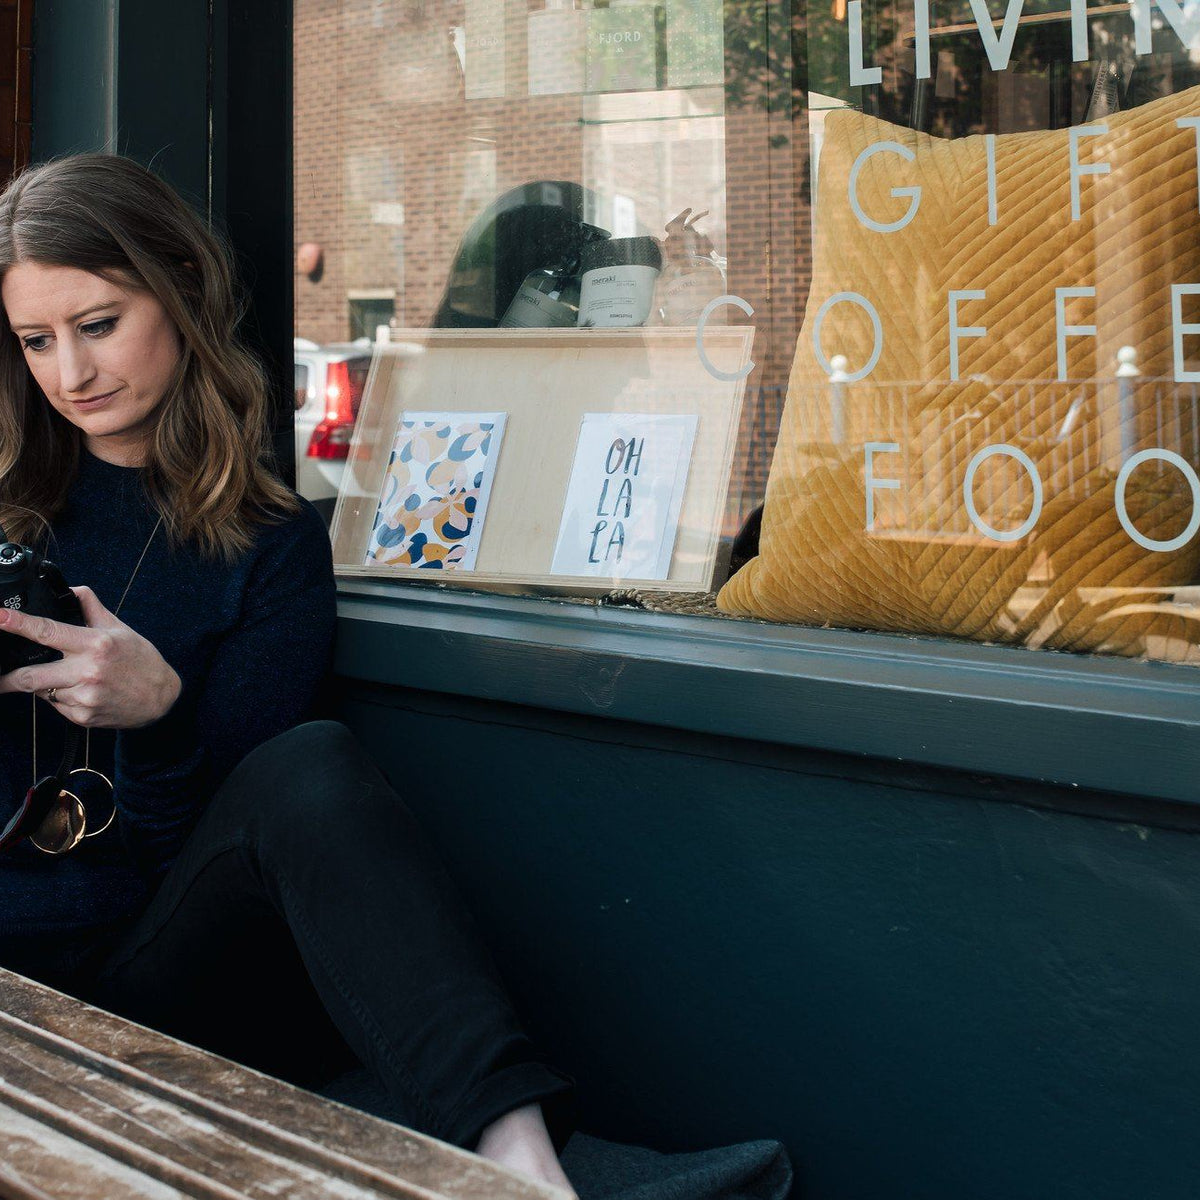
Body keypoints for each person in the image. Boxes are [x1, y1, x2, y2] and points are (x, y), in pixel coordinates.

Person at [0, 154, 575, 1193]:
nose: (70, 373)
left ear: (178, 289)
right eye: (36, 340)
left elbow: (232, 845)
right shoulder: (6, 514)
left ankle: (519, 1160)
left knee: (312, 764)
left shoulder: (269, 546)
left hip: (154, 970)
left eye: (98, 324)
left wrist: (161, 717)